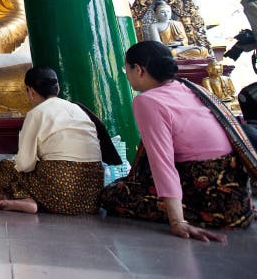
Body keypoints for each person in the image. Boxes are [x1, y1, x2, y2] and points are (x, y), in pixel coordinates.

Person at [101, 41, 257, 241]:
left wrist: (177, 222)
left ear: (138, 70)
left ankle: (184, 213)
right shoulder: (191, 88)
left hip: (213, 206)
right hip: (239, 204)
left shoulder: (147, 101)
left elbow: (162, 162)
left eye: (127, 68)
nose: (127, 74)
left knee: (112, 195)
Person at [0, 66, 104, 214]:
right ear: (58, 88)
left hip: (59, 194)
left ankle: (24, 199)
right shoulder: (78, 110)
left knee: (6, 166)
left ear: (31, 91)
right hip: (91, 197)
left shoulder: (36, 113)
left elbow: (24, 164)